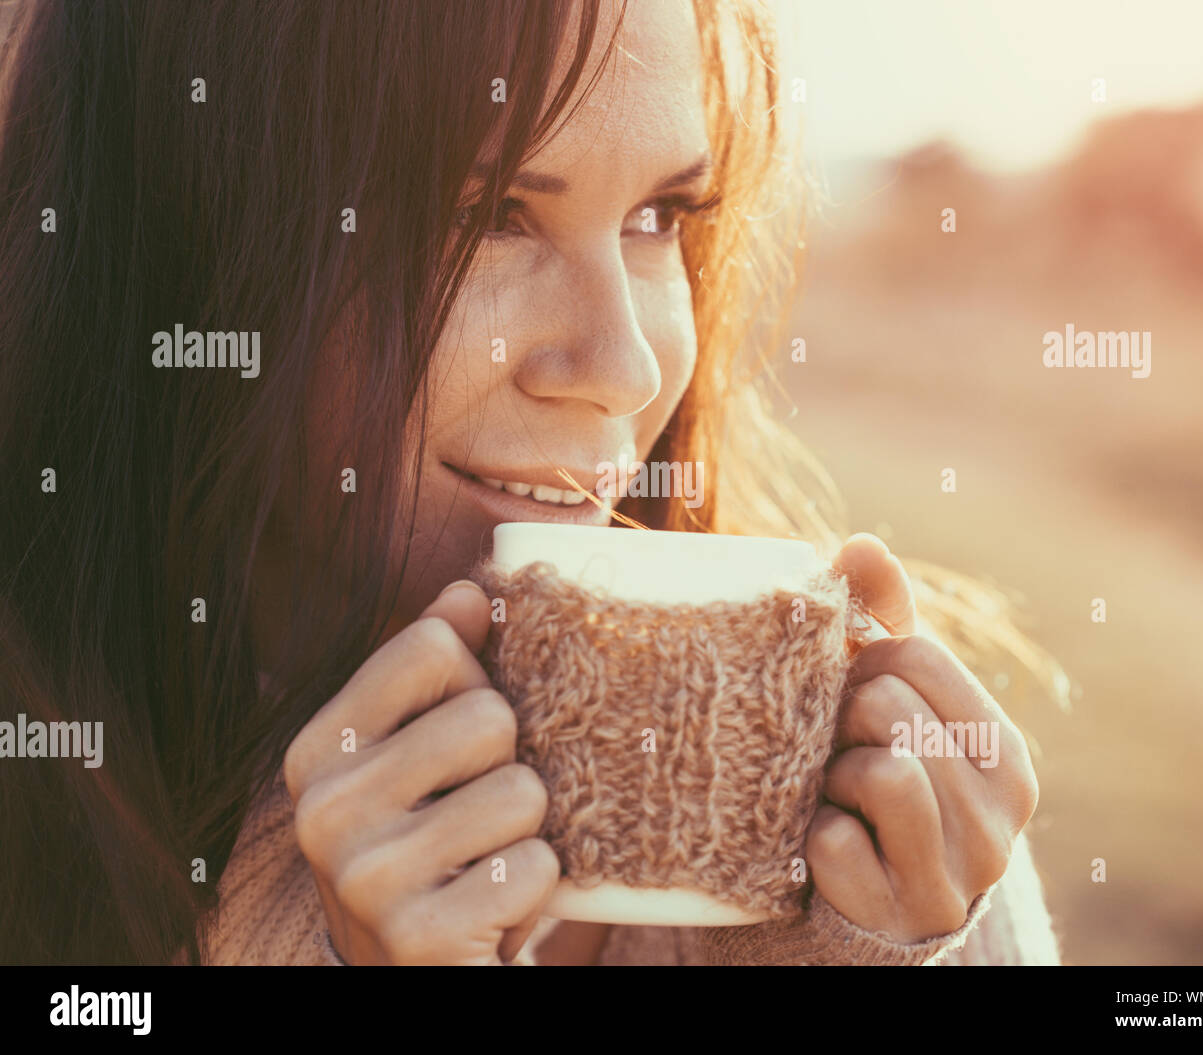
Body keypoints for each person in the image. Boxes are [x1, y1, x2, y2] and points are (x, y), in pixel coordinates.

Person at [0, 0, 1061, 965]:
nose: (624, 367)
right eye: (487, 215)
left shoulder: (878, 821)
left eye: (658, 216)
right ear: (188, 238)